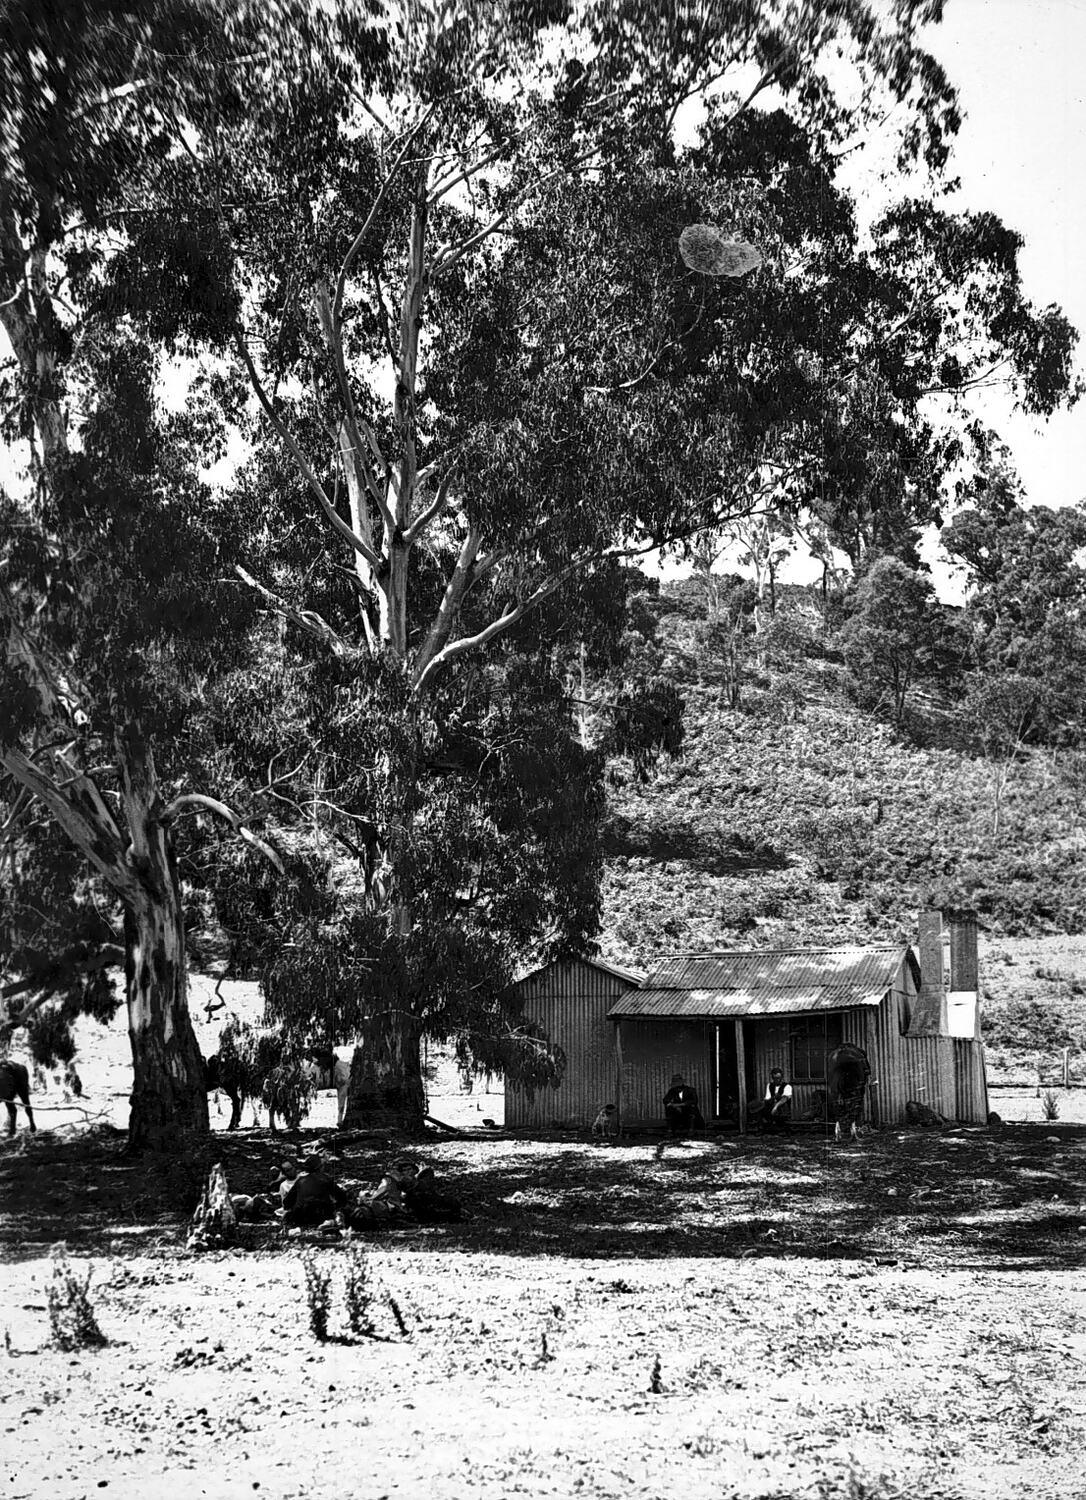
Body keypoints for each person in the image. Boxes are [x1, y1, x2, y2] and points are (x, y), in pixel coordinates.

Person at [281, 1154, 349, 1228]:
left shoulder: (300, 1181)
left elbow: (287, 1202)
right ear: (320, 1167)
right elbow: (342, 1197)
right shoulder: (325, 1179)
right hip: (322, 1215)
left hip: (301, 1217)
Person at [762, 1068, 793, 1133]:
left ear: (782, 1077)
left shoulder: (787, 1086)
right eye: (774, 1078)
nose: (777, 1080)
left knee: (780, 1099)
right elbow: (767, 1098)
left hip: (783, 1109)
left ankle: (781, 1125)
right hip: (772, 1107)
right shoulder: (769, 1085)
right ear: (772, 1078)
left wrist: (776, 1106)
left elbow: (785, 1098)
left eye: (778, 1078)